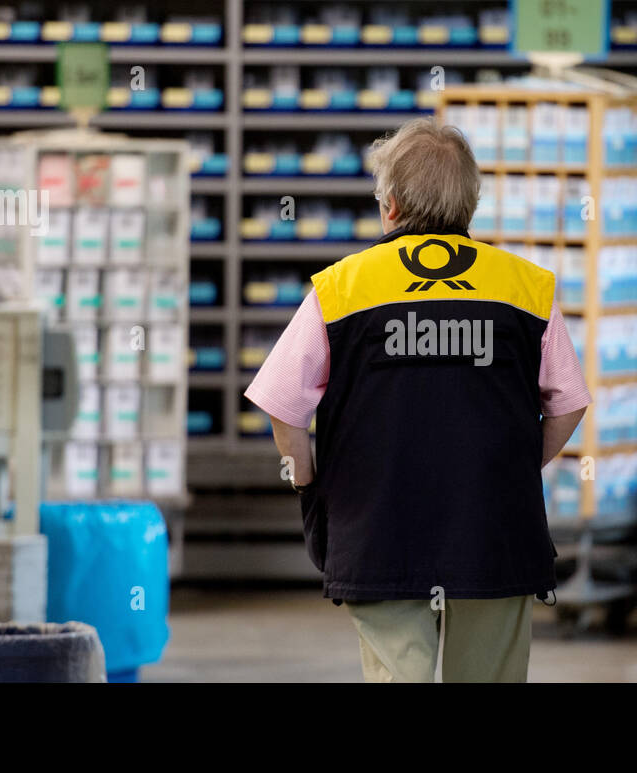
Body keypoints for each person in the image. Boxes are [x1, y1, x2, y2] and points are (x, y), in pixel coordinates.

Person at [244, 117, 590, 682]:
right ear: (470, 206)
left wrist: (308, 480)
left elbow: (284, 404)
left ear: (391, 205)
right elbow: (568, 401)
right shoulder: (526, 287)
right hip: (493, 531)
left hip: (378, 530)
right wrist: (515, 466)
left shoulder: (340, 289)